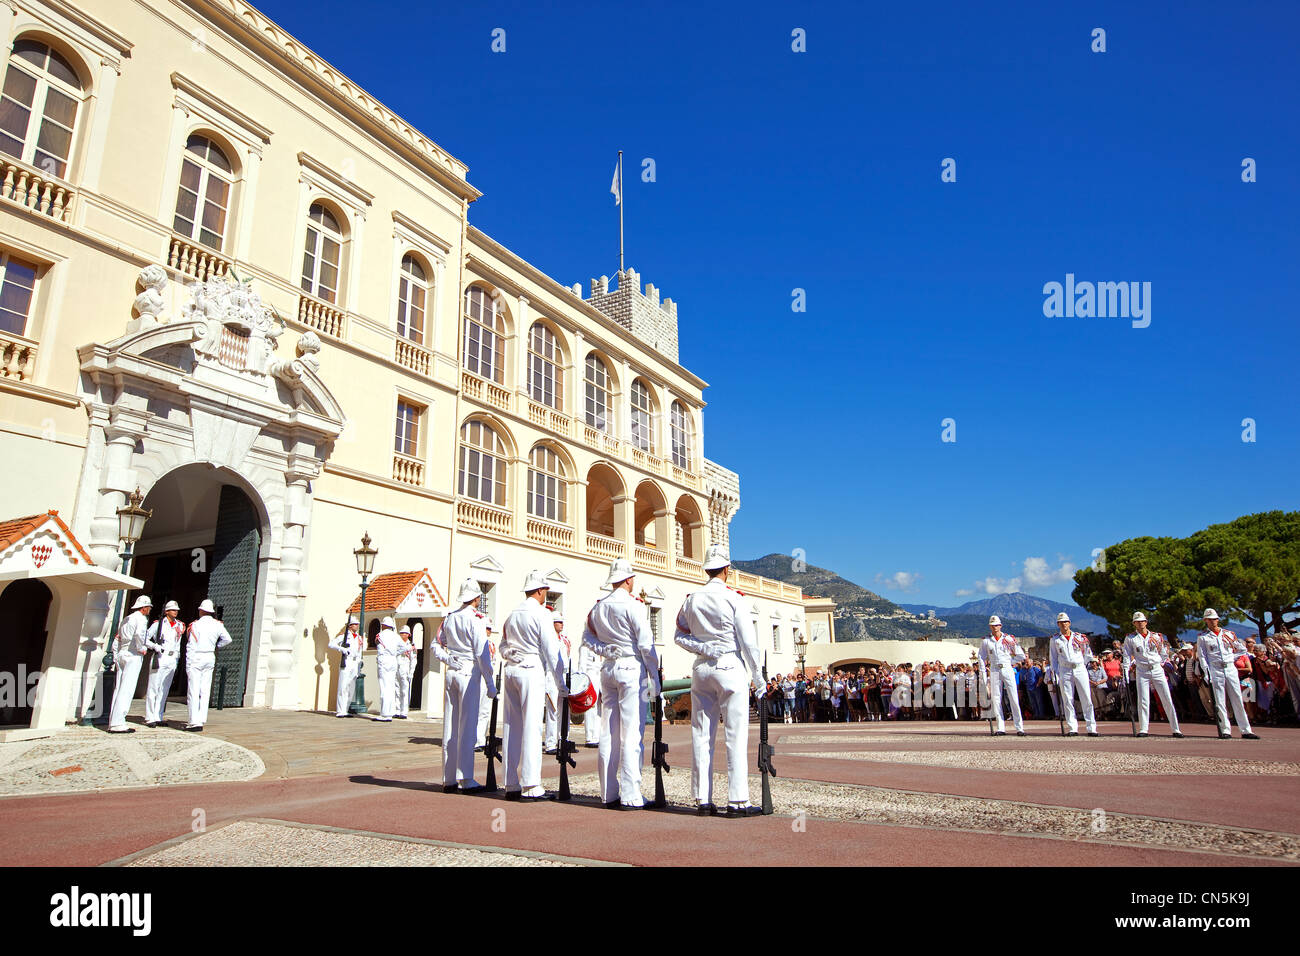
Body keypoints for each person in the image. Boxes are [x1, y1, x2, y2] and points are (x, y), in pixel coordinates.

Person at [673, 544, 764, 817]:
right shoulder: (734, 598)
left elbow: (679, 636)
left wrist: (703, 647)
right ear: (727, 569)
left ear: (706, 570)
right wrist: (758, 677)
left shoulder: (691, 599)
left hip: (701, 668)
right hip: (729, 665)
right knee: (735, 735)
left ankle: (703, 799)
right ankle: (737, 800)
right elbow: (749, 643)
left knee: (701, 734)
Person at [581, 557, 661, 809]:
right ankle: (630, 793)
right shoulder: (633, 605)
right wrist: (654, 676)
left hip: (608, 668)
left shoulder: (598, 607)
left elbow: (587, 638)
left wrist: (605, 649)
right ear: (628, 580)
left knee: (608, 732)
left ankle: (608, 792)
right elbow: (646, 645)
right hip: (630, 668)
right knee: (631, 732)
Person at [501, 570, 568, 800]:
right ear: (540, 590)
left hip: (511, 669)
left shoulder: (512, 614)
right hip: (531, 668)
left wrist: (510, 653)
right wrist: (561, 682)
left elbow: (502, 645)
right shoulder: (541, 614)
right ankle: (530, 784)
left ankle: (510, 783)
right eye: (545, 590)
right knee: (532, 726)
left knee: (511, 726)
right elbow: (551, 650)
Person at [435, 579, 496, 793]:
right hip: (469, 673)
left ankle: (448, 778)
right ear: (477, 598)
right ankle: (466, 778)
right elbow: (482, 653)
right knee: (468, 727)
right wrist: (490, 683)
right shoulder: (475, 620)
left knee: (450, 727)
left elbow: (436, 645)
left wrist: (448, 659)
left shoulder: (450, 618)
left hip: (452, 671)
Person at [1196, 609, 1259, 739]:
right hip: (1215, 669)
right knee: (1220, 701)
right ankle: (1225, 730)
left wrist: (1230, 658)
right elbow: (1202, 657)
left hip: (1230, 668)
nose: (1212, 621)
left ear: (1218, 620)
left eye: (1214, 619)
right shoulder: (1203, 637)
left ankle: (1246, 730)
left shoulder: (1229, 634)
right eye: (1209, 619)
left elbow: (1242, 649)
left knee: (1237, 698)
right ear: (1205, 621)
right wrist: (1207, 673)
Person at [1123, 612, 1183, 738]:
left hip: (1156, 669)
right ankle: (1143, 729)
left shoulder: (1156, 636)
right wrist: (1126, 671)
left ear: (1146, 622)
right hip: (1142, 670)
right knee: (1143, 699)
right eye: (1137, 621)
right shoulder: (1131, 638)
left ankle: (1175, 729)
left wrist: (1160, 663)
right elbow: (1127, 656)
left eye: (1142, 621)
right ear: (1134, 623)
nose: (1140, 623)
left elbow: (1163, 653)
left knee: (1166, 698)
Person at [108, 594, 152, 733]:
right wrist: (141, 648)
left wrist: (116, 654)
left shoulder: (127, 618)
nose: (149, 609)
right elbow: (139, 635)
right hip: (133, 654)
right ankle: (118, 723)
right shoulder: (141, 619)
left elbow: (118, 637)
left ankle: (113, 720)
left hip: (123, 652)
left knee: (119, 688)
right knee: (127, 689)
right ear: (144, 608)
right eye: (148, 607)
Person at [185, 599, 231, 731]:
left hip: (197, 656)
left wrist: (188, 664)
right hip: (210, 656)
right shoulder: (217, 625)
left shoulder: (195, 625)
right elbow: (228, 639)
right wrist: (216, 646)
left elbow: (191, 645)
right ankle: (201, 719)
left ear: (201, 610)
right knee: (205, 690)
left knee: (194, 690)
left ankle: (194, 721)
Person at [1049, 612, 1097, 736]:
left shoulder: (1079, 638)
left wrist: (1080, 664)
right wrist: (1056, 674)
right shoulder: (1055, 639)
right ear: (1058, 624)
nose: (1063, 624)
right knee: (1067, 699)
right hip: (1065, 670)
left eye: (1065, 622)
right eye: (1061, 622)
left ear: (1069, 623)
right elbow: (1053, 658)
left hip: (1079, 668)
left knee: (1086, 697)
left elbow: (1087, 654)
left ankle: (1091, 727)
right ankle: (1072, 727)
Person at [977, 615, 1026, 735]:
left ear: (1000, 626)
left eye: (997, 625)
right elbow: (981, 657)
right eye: (992, 625)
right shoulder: (986, 640)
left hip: (1007, 668)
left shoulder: (1008, 639)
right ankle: (1000, 727)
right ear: (990, 626)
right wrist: (983, 672)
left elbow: (1021, 655)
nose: (995, 627)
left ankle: (1019, 727)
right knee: (996, 698)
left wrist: (1010, 662)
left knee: (1013, 697)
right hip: (994, 669)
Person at [143, 600, 185, 727]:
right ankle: (150, 717)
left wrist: (176, 659)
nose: (175, 612)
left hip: (172, 658)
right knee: (153, 687)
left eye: (176, 610)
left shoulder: (179, 625)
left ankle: (158, 715)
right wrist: (154, 646)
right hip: (160, 656)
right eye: (173, 610)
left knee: (164, 689)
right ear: (166, 611)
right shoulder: (158, 624)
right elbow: (144, 637)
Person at [542, 609, 573, 754]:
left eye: (562, 622)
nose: (561, 624)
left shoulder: (564, 640)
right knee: (553, 711)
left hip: (564, 676)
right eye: (558, 622)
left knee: (564, 711)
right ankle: (550, 743)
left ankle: (563, 740)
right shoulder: (548, 639)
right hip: (551, 677)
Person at [327, 616, 363, 718]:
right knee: (343, 686)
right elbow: (331, 644)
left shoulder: (359, 637)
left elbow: (359, 651)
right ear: (350, 626)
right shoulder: (344, 636)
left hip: (355, 662)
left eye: (357, 624)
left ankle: (345, 710)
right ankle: (340, 710)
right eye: (355, 624)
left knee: (351, 687)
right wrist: (341, 649)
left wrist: (359, 663)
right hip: (347, 661)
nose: (357, 626)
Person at [373, 617, 403, 722]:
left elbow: (378, 644)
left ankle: (384, 713)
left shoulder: (380, 635)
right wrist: (395, 653)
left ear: (383, 625)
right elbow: (404, 647)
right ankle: (390, 712)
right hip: (393, 660)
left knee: (384, 687)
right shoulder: (396, 636)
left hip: (384, 660)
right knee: (391, 687)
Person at [475, 620, 498, 750]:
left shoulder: (491, 644)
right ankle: (473, 739)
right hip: (478, 678)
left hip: (488, 679)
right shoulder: (477, 643)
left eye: (490, 629)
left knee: (485, 711)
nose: (489, 631)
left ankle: (481, 739)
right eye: (487, 628)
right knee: (475, 709)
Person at [394, 624, 415, 719]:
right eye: (401, 633)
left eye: (404, 633)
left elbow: (413, 660)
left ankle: (404, 711)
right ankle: (397, 710)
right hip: (396, 667)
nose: (402, 635)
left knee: (404, 691)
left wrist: (411, 672)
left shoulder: (411, 646)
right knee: (396, 690)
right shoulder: (396, 644)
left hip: (405, 669)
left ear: (408, 635)